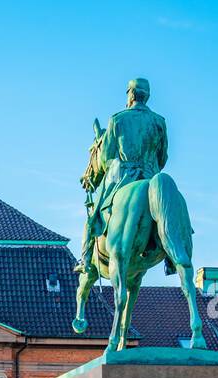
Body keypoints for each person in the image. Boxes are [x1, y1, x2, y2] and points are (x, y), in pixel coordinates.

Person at [77, 77, 169, 272]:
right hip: (152, 178)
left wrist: (111, 168)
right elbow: (163, 157)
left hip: (124, 176)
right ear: (147, 96)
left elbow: (105, 158)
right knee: (167, 210)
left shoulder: (117, 119)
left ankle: (85, 260)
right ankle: (171, 254)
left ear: (131, 94)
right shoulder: (159, 122)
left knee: (93, 215)